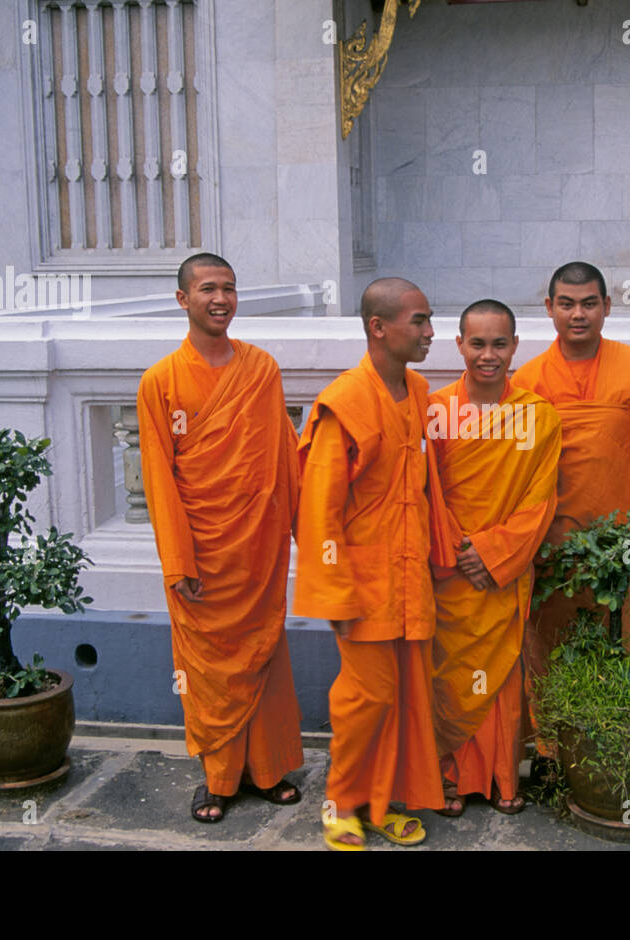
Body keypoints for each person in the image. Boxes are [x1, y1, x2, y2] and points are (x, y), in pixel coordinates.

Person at [138, 252, 304, 823]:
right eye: (208, 289)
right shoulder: (160, 381)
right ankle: (218, 778)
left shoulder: (261, 369)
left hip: (256, 544)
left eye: (230, 289)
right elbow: (158, 477)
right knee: (208, 669)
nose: (221, 300)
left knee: (265, 657)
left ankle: (270, 769)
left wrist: (306, 527)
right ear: (183, 299)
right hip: (202, 551)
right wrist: (177, 559)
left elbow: (284, 452)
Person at [294, 277, 455, 850]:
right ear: (378, 328)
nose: (430, 332)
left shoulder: (415, 390)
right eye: (419, 320)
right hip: (362, 584)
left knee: (404, 698)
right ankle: (340, 802)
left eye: (430, 319)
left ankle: (382, 804)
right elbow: (319, 511)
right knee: (363, 700)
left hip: (410, 577)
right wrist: (333, 595)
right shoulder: (344, 403)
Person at [511, 261, 630, 773]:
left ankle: (602, 748)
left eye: (588, 303)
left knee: (613, 638)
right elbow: (514, 471)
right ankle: (547, 750)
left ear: (607, 307)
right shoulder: (528, 378)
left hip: (618, 544)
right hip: (552, 539)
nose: (577, 314)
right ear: (549, 309)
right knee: (546, 644)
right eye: (566, 303)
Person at [428, 300, 561, 816]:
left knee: (502, 679)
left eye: (499, 343)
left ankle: (505, 779)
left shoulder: (538, 417)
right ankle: (448, 778)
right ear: (459, 344)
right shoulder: (434, 413)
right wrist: (460, 551)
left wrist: (492, 553)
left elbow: (540, 500)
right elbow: (425, 492)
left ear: (515, 347)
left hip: (502, 571)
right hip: (448, 570)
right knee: (448, 678)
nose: (488, 355)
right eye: (477, 343)